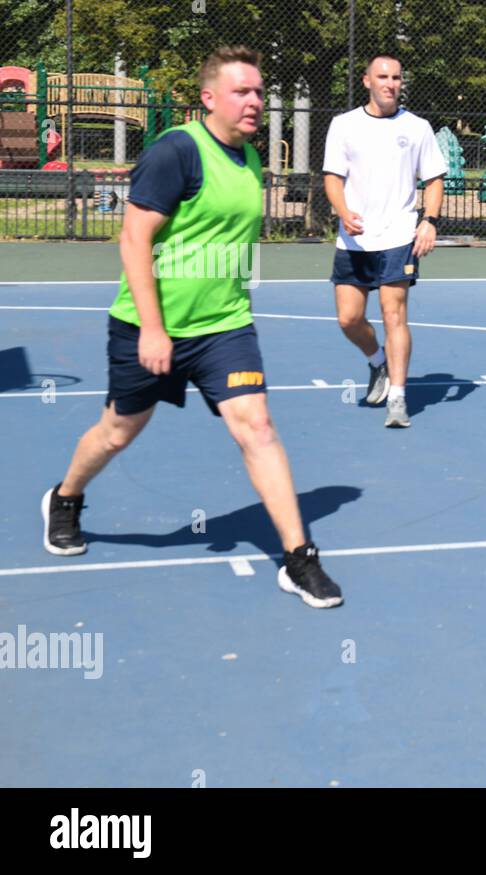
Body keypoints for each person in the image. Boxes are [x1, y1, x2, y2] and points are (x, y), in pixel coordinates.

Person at [40, 46, 343, 609]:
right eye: (241, 92)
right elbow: (134, 239)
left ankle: (298, 558)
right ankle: (66, 496)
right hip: (147, 325)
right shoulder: (176, 152)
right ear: (209, 98)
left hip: (225, 326)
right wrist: (155, 329)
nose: (254, 101)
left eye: (258, 91)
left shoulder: (251, 159)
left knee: (257, 427)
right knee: (119, 431)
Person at [323, 53, 447, 428]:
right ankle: (377, 361)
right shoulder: (343, 125)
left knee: (394, 314)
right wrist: (342, 210)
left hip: (398, 236)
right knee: (348, 319)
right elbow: (332, 176)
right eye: (383, 76)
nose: (391, 83)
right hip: (355, 239)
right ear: (367, 81)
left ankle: (398, 396)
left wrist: (429, 221)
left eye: (396, 77)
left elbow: (435, 178)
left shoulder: (418, 127)